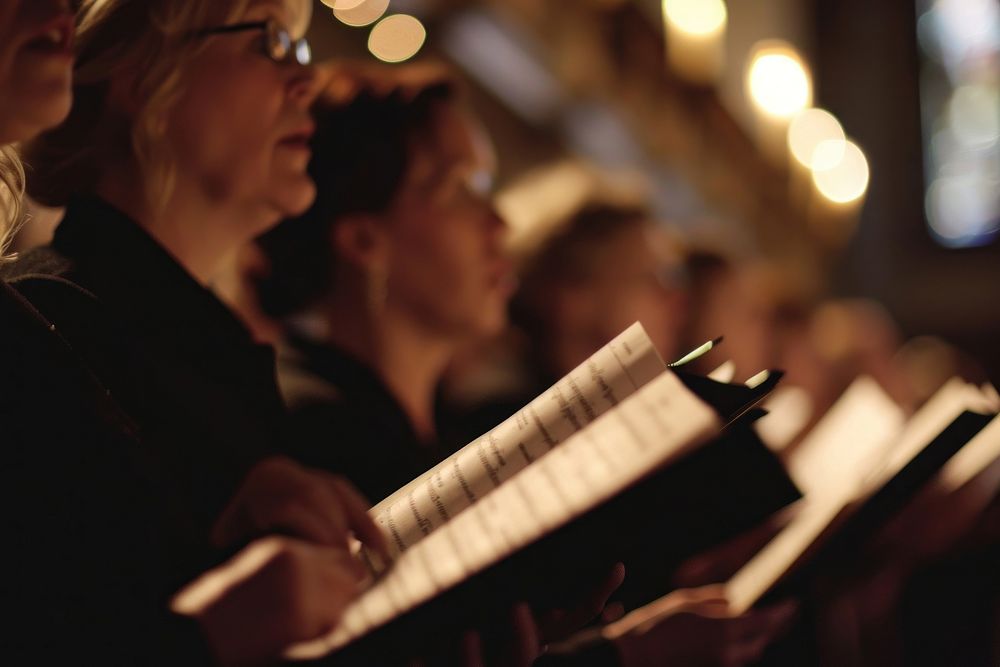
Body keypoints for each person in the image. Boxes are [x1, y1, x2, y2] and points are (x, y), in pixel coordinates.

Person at [0, 0, 386, 662]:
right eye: (270, 42)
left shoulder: (214, 355)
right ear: (140, 74)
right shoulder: (58, 325)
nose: (308, 80)